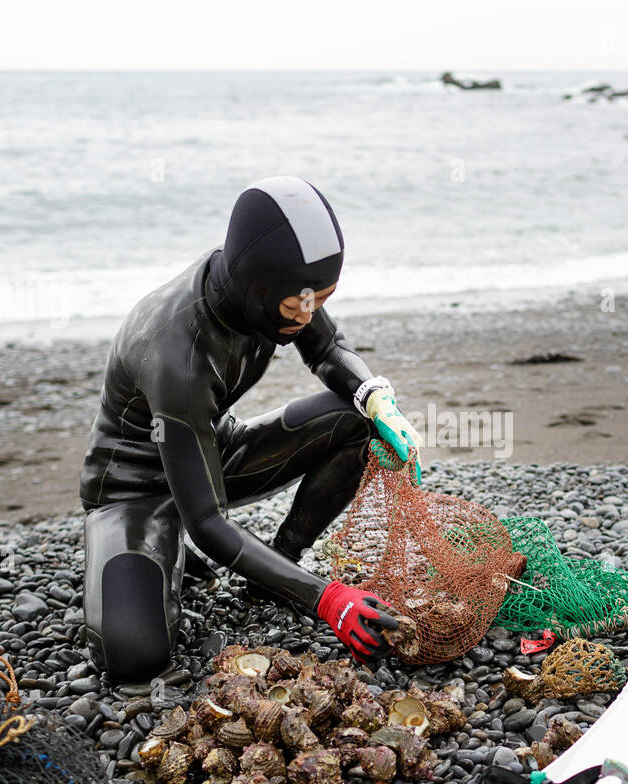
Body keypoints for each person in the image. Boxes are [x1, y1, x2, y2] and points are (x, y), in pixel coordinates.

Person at [78, 177, 423, 682]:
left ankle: (277, 567)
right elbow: (208, 522)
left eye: (319, 300)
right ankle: (148, 551)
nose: (307, 315)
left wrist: (377, 397)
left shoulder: (275, 285)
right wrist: (325, 599)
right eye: (295, 306)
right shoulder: (179, 353)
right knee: (135, 658)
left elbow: (329, 350)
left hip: (214, 451)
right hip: (136, 490)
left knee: (358, 421)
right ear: (256, 286)